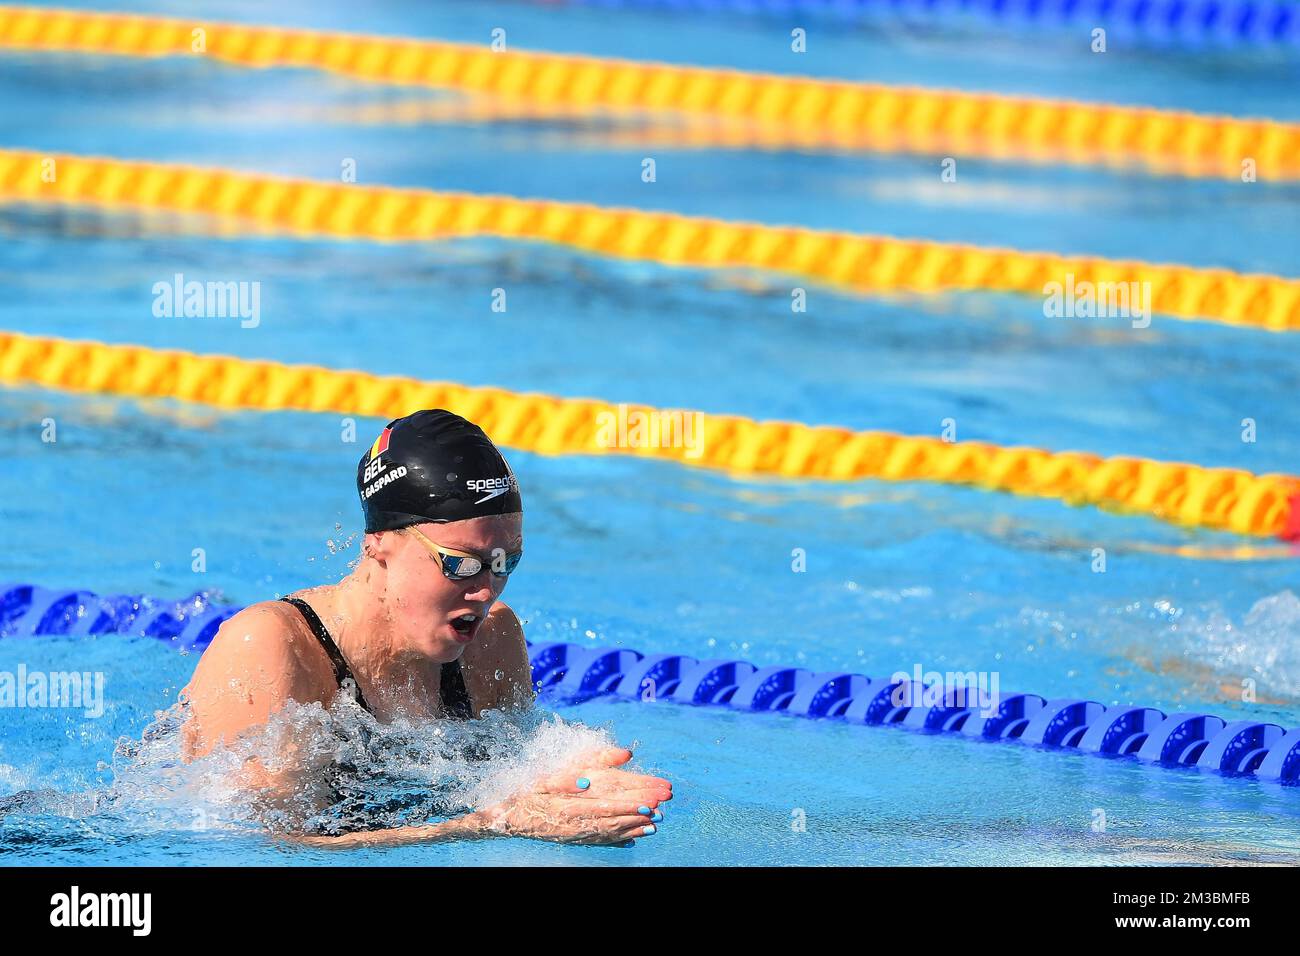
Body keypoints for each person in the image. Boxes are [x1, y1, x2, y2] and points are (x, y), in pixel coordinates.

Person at [181, 409, 671, 847]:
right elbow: (257, 848)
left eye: (504, 563)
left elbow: (514, 787)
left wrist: (573, 790)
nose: (486, 591)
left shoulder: (492, 642)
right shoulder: (271, 645)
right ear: (378, 544)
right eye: (461, 564)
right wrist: (490, 823)